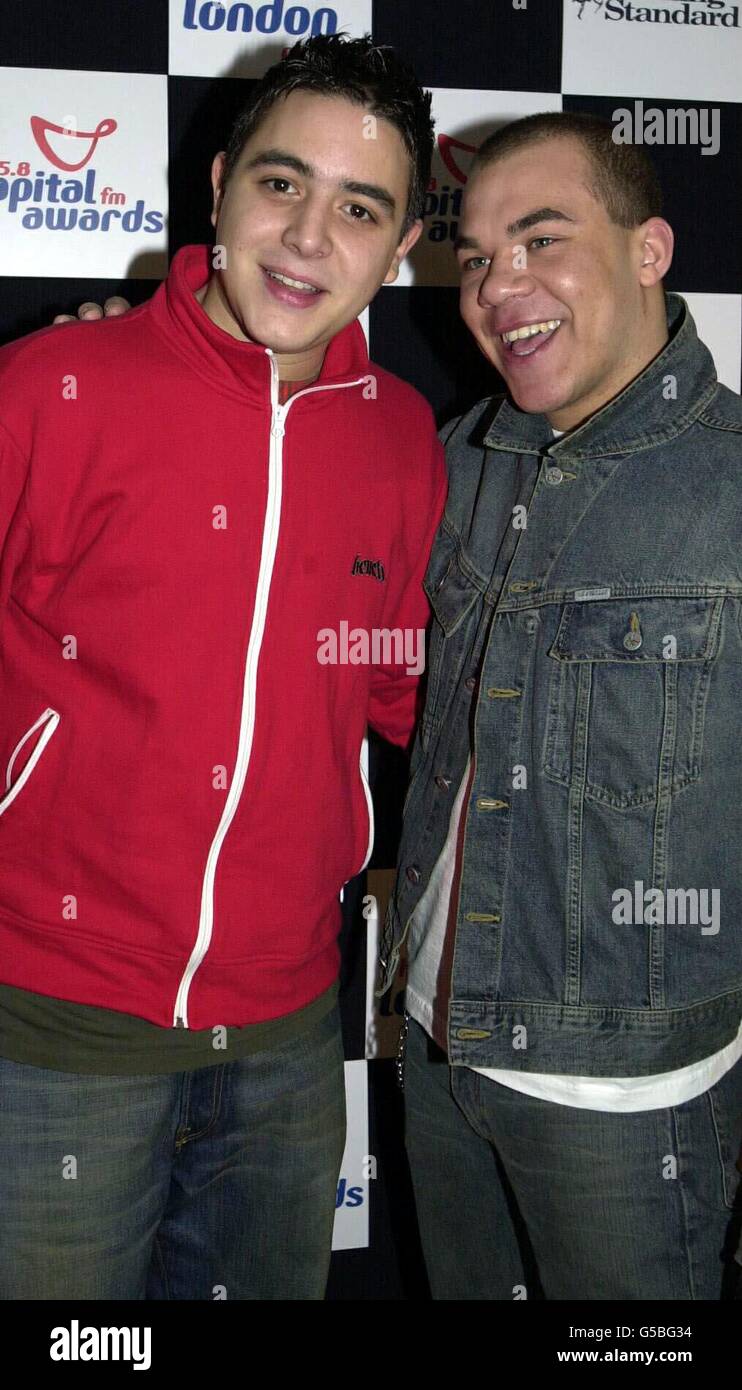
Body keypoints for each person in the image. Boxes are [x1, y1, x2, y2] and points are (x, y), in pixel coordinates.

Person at [0, 34, 447, 1301]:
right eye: (280, 183)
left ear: (402, 245)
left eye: (358, 208)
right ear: (217, 185)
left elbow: (400, 690)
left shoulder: (404, 438)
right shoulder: (54, 385)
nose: (307, 237)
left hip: (288, 1036)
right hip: (52, 1025)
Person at [378, 111, 742, 1300]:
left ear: (648, 250)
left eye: (541, 240)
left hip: (626, 1101)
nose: (497, 287)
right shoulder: (461, 457)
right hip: (438, 1043)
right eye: (478, 257)